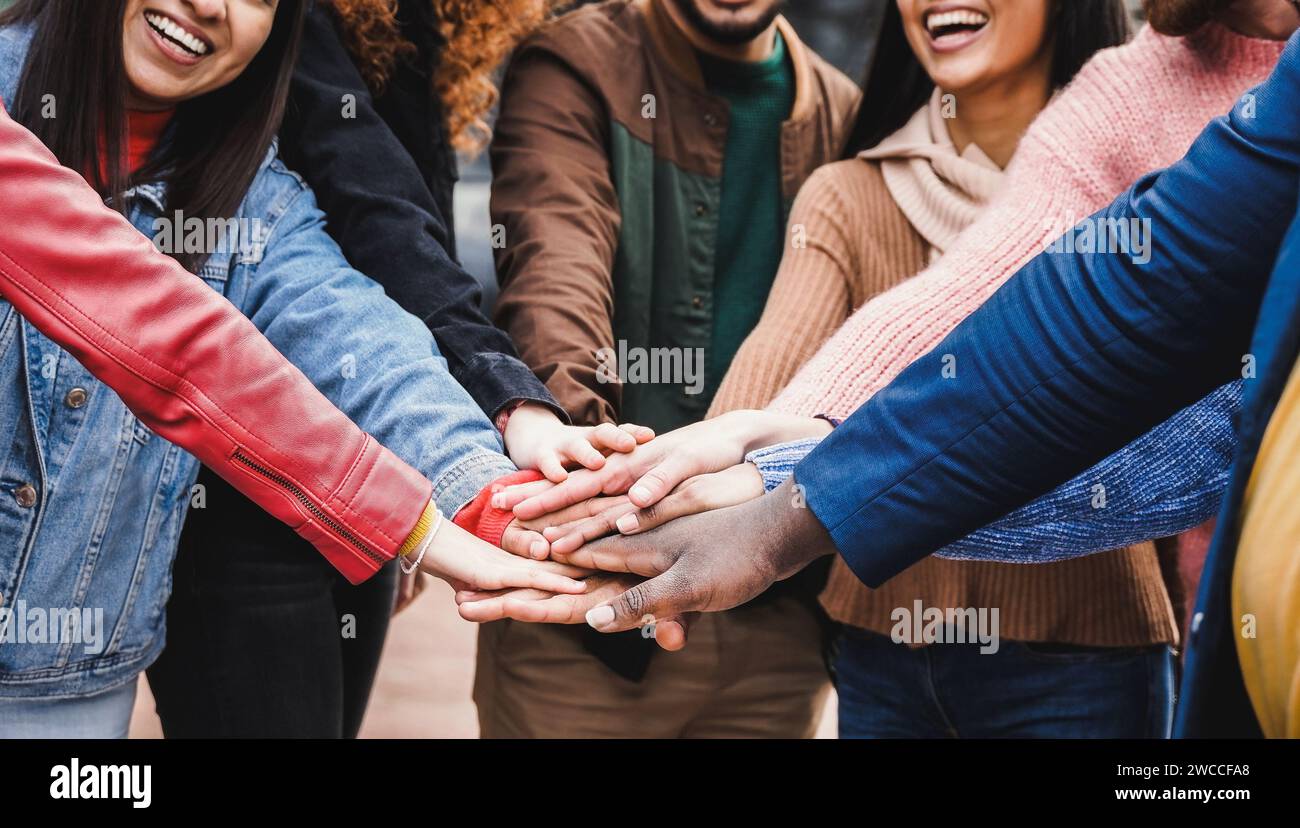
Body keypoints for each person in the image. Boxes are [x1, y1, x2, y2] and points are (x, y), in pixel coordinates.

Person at [501, 26, 1300, 738]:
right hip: (888, 647)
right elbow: (1010, 312)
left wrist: (790, 497)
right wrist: (771, 450)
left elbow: (1177, 417)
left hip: (1097, 650)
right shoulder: (876, 176)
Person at [0, 0, 582, 739]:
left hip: (74, 697)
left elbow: (358, 333)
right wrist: (410, 521)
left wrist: (487, 485)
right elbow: (175, 339)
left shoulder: (255, 198)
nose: (209, 5)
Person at [144, 0, 646, 739]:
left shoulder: (432, 18)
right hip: (240, 479)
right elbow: (373, 207)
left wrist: (437, 493)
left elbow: (399, 237)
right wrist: (502, 405)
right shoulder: (288, 18)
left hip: (378, 442)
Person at [480, 0, 859, 738]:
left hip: (779, 618)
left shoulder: (846, 116)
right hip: (587, 609)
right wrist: (590, 485)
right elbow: (554, 263)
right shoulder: (578, 62)